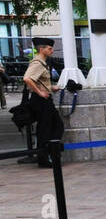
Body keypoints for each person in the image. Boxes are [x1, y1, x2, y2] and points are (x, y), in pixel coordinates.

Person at [22, 37, 63, 166]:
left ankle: (48, 154)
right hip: (40, 100)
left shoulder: (42, 63)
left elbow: (40, 82)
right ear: (41, 49)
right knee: (47, 128)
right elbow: (27, 79)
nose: (52, 50)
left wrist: (51, 88)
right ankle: (45, 158)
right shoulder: (37, 63)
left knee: (52, 126)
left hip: (44, 99)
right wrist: (40, 92)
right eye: (49, 48)